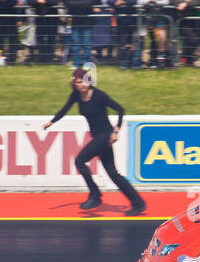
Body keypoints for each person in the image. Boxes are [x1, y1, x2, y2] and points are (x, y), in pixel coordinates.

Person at [43, 68, 146, 214]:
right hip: (98, 137)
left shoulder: (99, 95)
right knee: (113, 173)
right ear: (74, 84)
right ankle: (138, 203)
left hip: (105, 136)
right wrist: (52, 122)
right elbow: (64, 110)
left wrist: (116, 131)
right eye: (79, 82)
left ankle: (95, 195)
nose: (82, 85)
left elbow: (120, 109)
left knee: (79, 161)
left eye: (84, 81)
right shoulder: (76, 95)